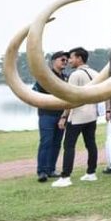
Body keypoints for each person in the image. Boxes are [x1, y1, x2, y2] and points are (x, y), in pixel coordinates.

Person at [52, 47, 100, 187]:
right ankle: (91, 173)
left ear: (79, 58)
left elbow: (69, 98)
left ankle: (65, 177)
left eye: (71, 58)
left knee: (69, 145)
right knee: (91, 144)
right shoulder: (95, 73)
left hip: (78, 116)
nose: (69, 61)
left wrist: (64, 116)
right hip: (92, 115)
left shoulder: (75, 75)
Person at [33, 51, 68, 182]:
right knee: (46, 142)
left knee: (56, 143)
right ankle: (42, 171)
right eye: (62, 60)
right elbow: (34, 93)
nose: (65, 62)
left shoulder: (66, 77)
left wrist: (64, 116)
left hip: (61, 116)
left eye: (66, 60)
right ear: (54, 61)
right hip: (46, 115)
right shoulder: (44, 77)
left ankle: (51, 169)